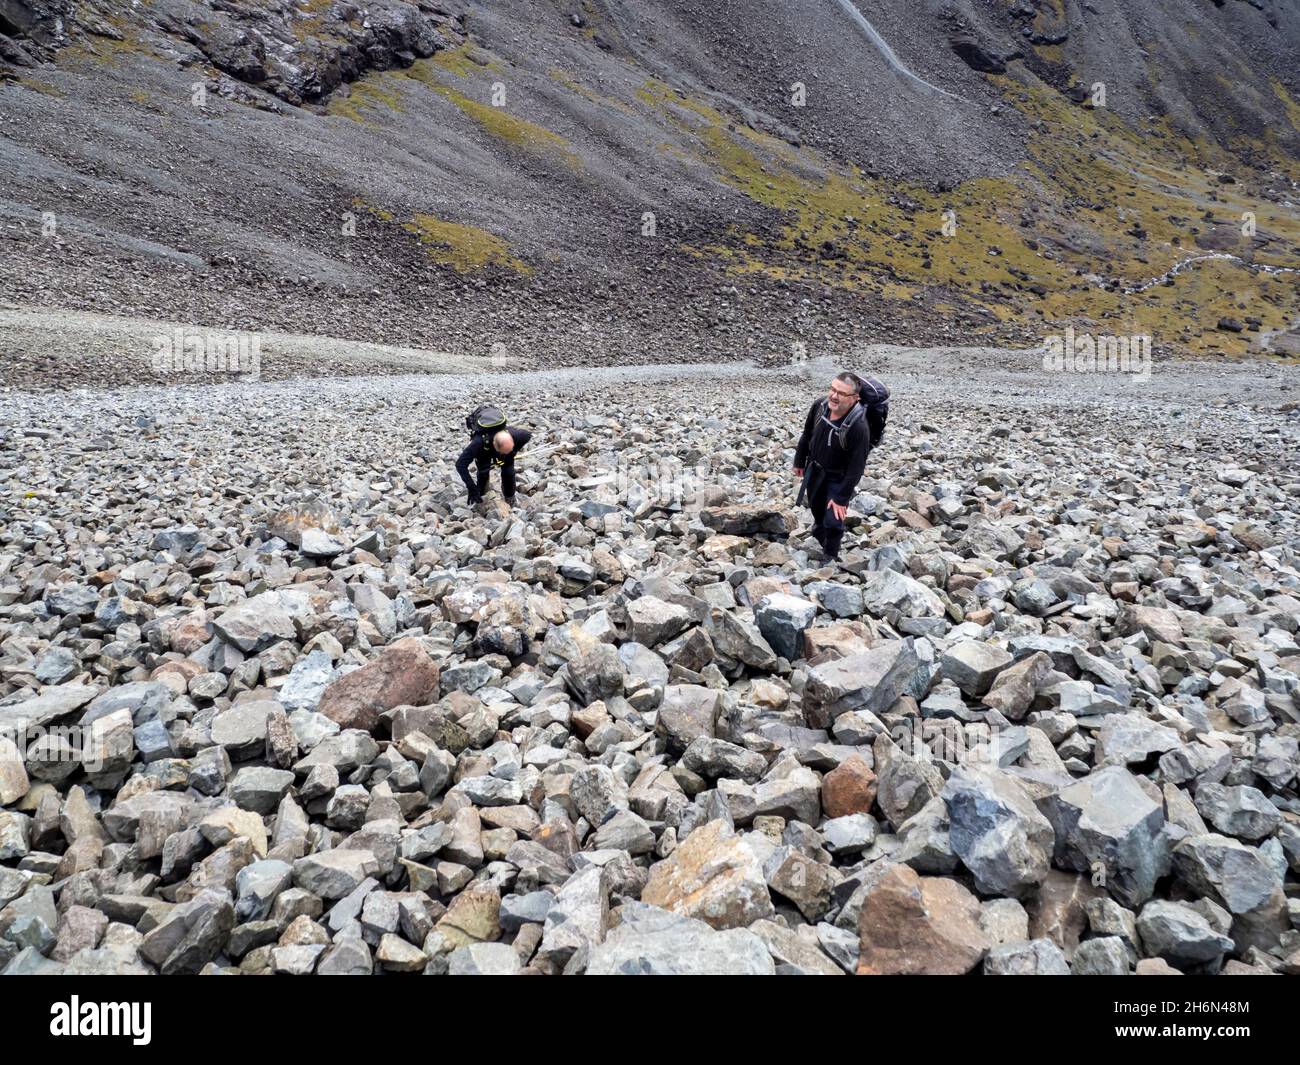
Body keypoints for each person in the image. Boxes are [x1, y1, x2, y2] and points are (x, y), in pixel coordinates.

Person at [793, 371, 889, 561]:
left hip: (839, 477)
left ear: (854, 398)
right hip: (815, 468)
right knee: (816, 508)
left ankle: (830, 555)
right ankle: (819, 535)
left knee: (834, 520)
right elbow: (806, 434)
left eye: (841, 393)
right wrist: (799, 461)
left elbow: (856, 467)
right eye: (833, 389)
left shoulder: (858, 426)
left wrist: (840, 497)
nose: (834, 396)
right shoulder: (820, 406)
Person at [456, 406, 532, 507]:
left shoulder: (516, 434)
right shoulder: (478, 443)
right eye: (503, 452)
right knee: (483, 471)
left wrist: (512, 453)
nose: (504, 454)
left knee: (508, 470)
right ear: (496, 446)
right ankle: (481, 496)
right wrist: (471, 488)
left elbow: (528, 435)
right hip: (485, 449)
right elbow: (460, 464)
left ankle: (510, 498)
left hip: (503, 446)